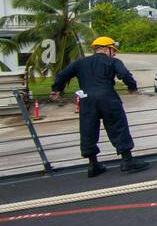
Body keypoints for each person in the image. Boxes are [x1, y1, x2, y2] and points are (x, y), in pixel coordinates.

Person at [49, 36, 150, 177]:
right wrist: (132, 87)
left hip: (87, 100)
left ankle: (93, 165)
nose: (114, 54)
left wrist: (56, 89)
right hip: (108, 98)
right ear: (107, 49)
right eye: (113, 50)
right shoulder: (113, 62)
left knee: (88, 130)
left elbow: (62, 75)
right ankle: (127, 161)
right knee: (118, 126)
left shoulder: (80, 62)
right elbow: (124, 74)